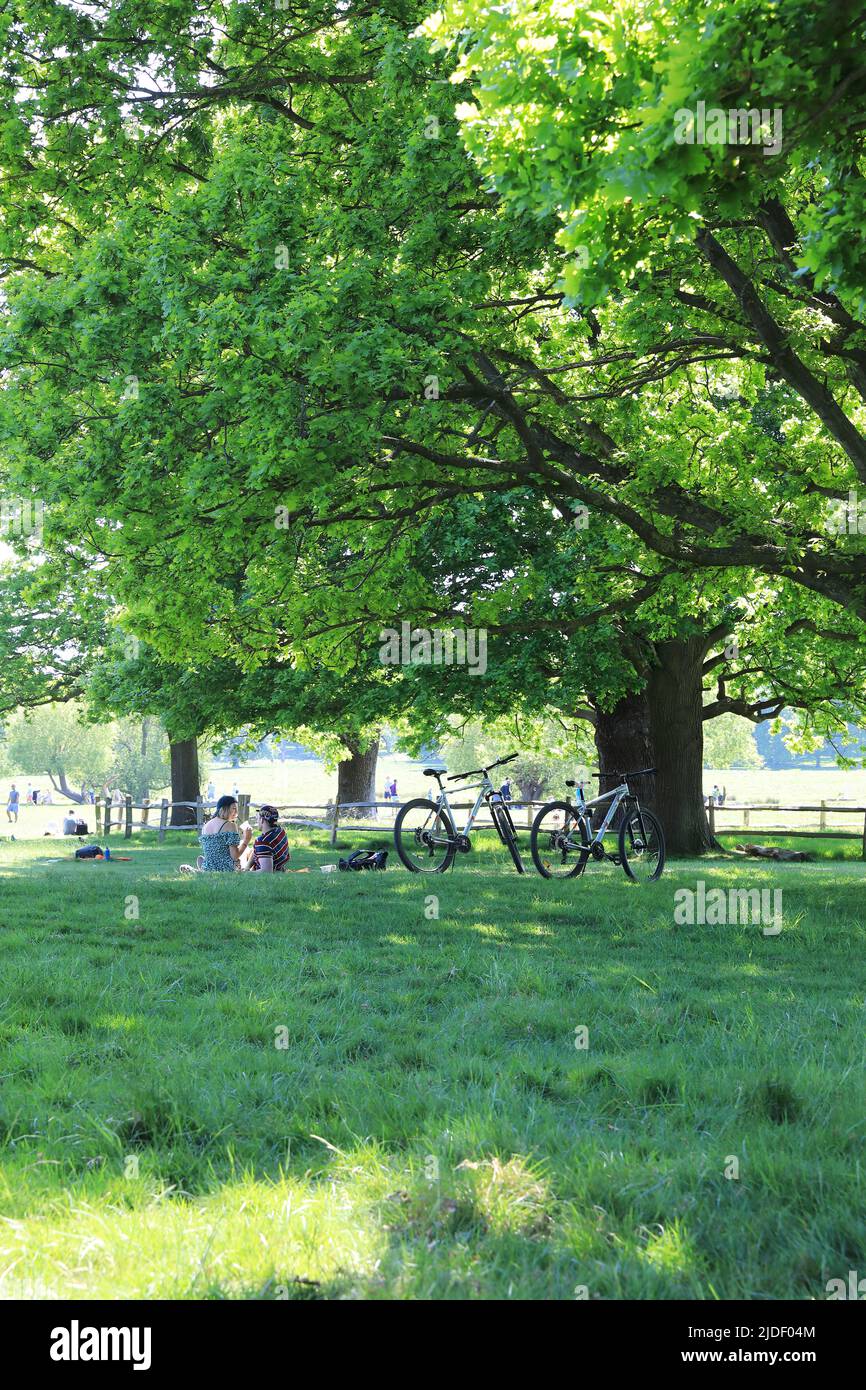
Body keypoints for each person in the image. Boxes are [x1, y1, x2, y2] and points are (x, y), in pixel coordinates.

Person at [198, 795, 251, 872]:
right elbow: (235, 856)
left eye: (237, 809)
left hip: (209, 867)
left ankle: (202, 868)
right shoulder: (230, 825)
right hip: (227, 868)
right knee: (247, 851)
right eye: (234, 808)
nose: (236, 812)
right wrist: (246, 840)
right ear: (223, 809)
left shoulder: (205, 826)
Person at [242, 804, 290, 873]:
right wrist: (247, 867)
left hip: (261, 878)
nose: (257, 821)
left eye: (257, 818)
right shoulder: (280, 831)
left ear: (262, 820)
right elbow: (257, 849)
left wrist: (245, 874)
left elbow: (266, 871)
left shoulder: (263, 842)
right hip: (280, 870)